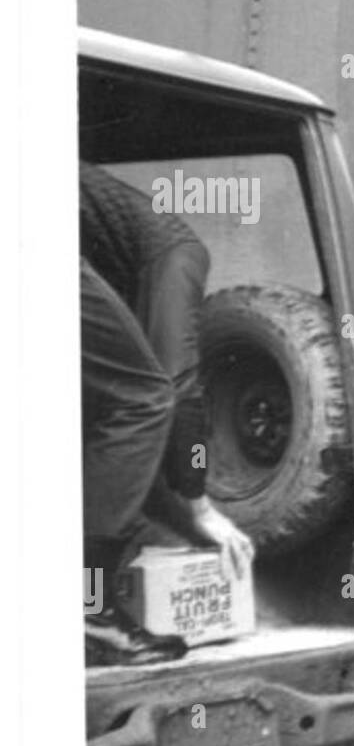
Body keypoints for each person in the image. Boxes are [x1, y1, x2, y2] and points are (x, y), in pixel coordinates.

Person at [80, 162, 255, 665]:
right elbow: (180, 385)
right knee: (143, 397)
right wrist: (198, 502)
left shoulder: (115, 244)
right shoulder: (179, 250)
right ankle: (87, 607)